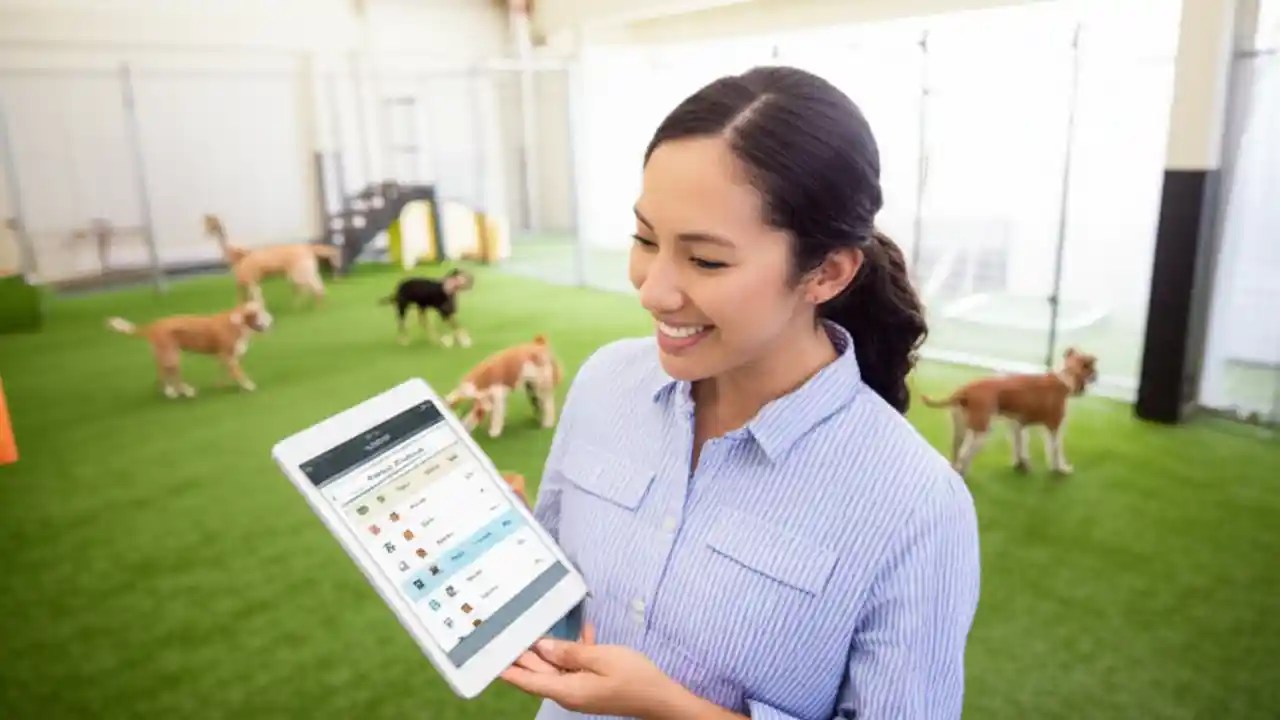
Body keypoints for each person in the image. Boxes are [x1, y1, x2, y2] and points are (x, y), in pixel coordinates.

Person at [501, 66, 981, 720]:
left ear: (826, 272)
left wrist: (671, 707)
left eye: (706, 260)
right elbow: (565, 597)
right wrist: (502, 548)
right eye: (646, 239)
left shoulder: (917, 505)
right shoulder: (605, 381)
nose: (651, 289)